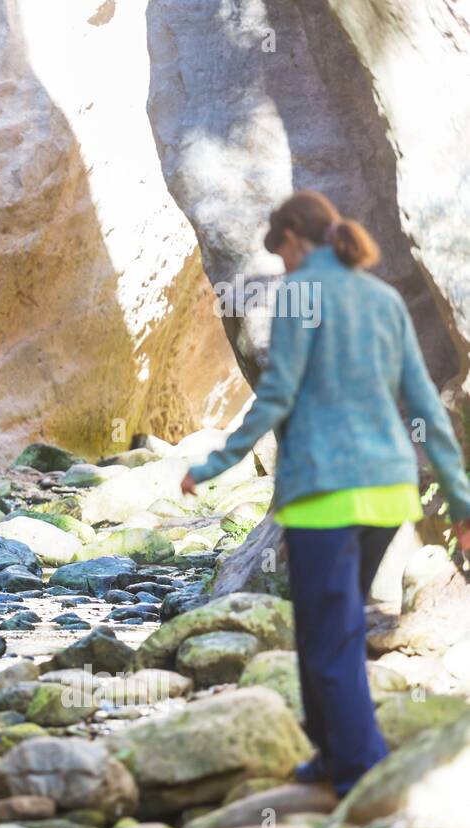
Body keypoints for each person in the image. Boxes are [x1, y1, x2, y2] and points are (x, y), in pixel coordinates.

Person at [181, 190, 470, 797]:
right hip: (390, 493)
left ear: (292, 241)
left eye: (280, 255)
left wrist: (216, 461)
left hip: (327, 495)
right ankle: (332, 756)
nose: (283, 268)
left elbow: (279, 395)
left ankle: (365, 771)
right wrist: (462, 502)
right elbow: (423, 404)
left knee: (328, 632)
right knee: (328, 628)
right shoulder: (384, 299)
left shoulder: (299, 296)